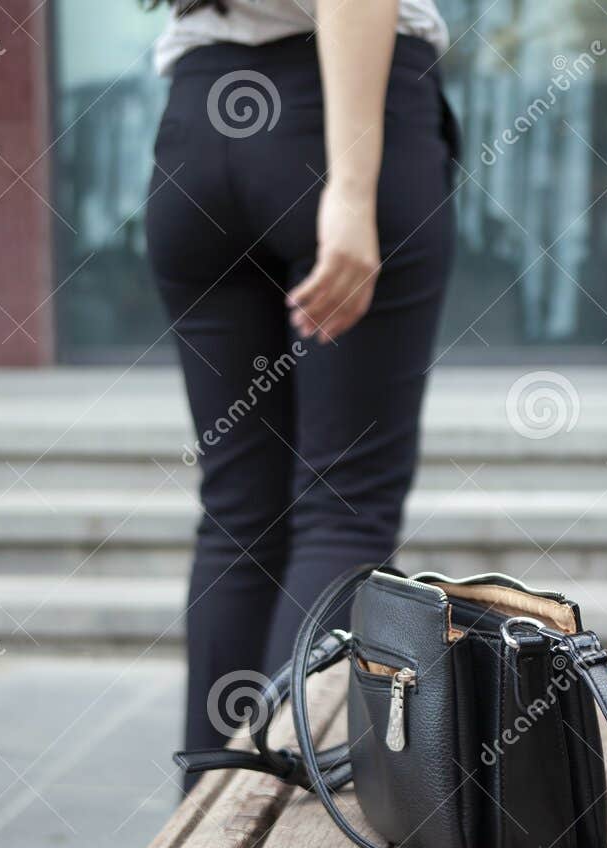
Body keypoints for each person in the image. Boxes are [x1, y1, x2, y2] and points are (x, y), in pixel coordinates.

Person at [144, 0, 457, 770]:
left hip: (198, 129)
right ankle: (275, 808)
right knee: (343, 509)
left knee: (236, 516)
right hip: (338, 119)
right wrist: (350, 192)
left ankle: (207, 814)